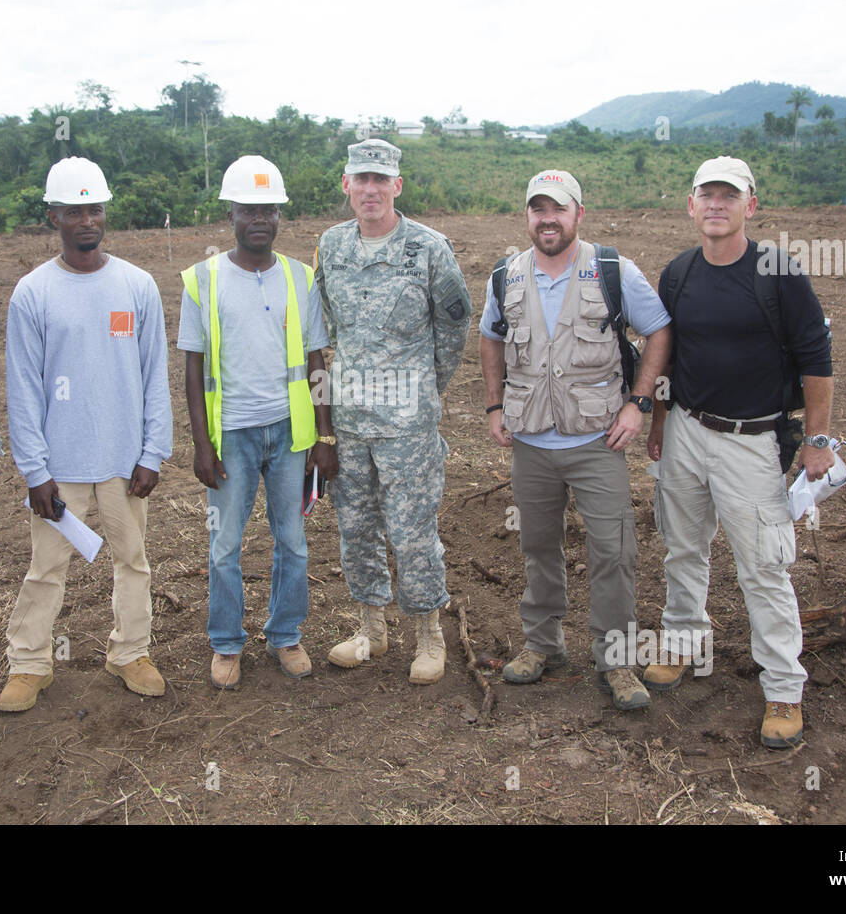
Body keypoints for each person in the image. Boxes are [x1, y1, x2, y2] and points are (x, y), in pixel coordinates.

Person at [644, 155, 835, 748]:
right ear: (692, 203)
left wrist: (818, 441)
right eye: (708, 194)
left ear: (751, 205)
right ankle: (682, 642)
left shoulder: (779, 273)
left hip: (752, 441)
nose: (717, 205)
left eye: (730, 195)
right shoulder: (678, 273)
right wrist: (659, 424)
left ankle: (782, 686)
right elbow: (668, 355)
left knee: (763, 567)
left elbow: (816, 361)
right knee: (682, 547)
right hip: (686, 433)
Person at [479, 170, 671, 710]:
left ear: (577, 214)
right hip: (532, 444)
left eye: (558, 209)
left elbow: (659, 330)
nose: (547, 218)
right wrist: (495, 405)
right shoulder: (506, 275)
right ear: (528, 216)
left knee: (613, 551)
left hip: (596, 442)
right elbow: (489, 337)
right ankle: (544, 645)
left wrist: (639, 403)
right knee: (539, 546)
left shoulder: (612, 269)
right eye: (537, 209)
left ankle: (617, 661)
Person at [0, 157, 172, 712]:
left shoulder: (137, 286)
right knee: (47, 567)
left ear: (105, 214)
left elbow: (154, 374)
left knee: (133, 560)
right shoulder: (32, 293)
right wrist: (35, 471)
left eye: (94, 209)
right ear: (55, 218)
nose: (87, 220)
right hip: (59, 467)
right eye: (74, 211)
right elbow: (23, 388)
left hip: (124, 462)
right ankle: (29, 663)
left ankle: (130, 652)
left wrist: (153, 452)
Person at [315, 138, 471, 685]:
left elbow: (454, 327)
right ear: (347, 186)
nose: (371, 189)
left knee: (412, 532)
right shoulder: (331, 246)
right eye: (361, 179)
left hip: (408, 426)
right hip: (350, 422)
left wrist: (425, 389)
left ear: (397, 186)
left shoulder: (428, 247)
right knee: (355, 528)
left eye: (381, 180)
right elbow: (330, 324)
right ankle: (371, 628)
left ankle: (428, 633)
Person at [179, 155, 337, 690]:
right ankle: (226, 643)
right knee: (224, 545)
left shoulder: (300, 277)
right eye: (250, 209)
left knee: (292, 542)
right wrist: (203, 446)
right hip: (234, 437)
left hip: (290, 435)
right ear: (232, 214)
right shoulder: (202, 279)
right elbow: (193, 371)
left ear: (278, 216)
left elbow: (317, 361)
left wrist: (322, 434)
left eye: (269, 209)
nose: (260, 219)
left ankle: (286, 635)